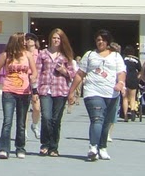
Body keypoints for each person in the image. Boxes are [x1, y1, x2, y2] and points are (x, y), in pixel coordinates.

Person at [78, 30, 125, 161]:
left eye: (103, 40)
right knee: (97, 119)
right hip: (92, 92)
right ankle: (93, 147)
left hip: (111, 93)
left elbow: (121, 72)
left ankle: (102, 147)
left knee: (107, 122)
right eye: (98, 40)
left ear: (108, 42)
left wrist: (120, 83)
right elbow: (80, 74)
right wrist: (71, 91)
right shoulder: (90, 55)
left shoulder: (116, 56)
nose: (100, 42)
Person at [35, 28, 80, 156]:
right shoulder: (43, 54)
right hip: (45, 89)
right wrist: (35, 90)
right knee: (46, 117)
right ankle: (45, 144)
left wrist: (64, 71)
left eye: (58, 38)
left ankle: (54, 147)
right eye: (54, 38)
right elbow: (37, 72)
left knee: (56, 119)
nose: (56, 40)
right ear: (50, 39)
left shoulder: (66, 55)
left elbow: (73, 74)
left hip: (60, 90)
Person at [0, 33, 32, 158]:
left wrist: (34, 86)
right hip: (9, 91)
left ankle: (20, 148)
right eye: (23, 40)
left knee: (21, 122)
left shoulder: (28, 55)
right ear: (17, 41)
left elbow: (35, 72)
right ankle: (4, 148)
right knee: (7, 121)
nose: (26, 42)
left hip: (24, 92)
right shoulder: (6, 55)